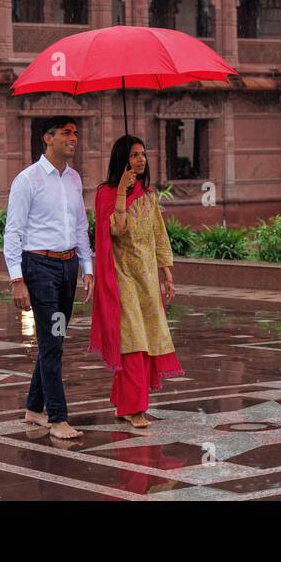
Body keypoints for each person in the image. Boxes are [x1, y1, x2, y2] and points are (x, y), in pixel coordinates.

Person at [3, 115, 94, 441]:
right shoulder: (27, 180)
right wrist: (17, 280)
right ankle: (57, 418)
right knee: (52, 343)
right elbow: (13, 232)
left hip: (68, 267)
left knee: (52, 339)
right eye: (66, 133)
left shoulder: (73, 179)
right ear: (48, 138)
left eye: (75, 133)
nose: (73, 138)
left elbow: (81, 227)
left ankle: (32, 407)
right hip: (39, 268)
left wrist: (88, 267)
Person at [91, 135, 184, 428]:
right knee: (133, 341)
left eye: (142, 154)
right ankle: (135, 408)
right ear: (121, 159)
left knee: (148, 338)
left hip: (147, 279)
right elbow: (116, 231)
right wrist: (121, 191)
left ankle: (124, 403)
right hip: (122, 277)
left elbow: (158, 233)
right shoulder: (106, 193)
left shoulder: (149, 194)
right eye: (133, 155)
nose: (140, 160)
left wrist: (166, 272)